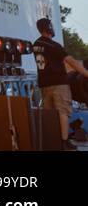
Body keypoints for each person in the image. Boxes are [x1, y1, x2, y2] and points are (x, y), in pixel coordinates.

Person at [32, 16, 88, 148]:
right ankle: (64, 141)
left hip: (44, 84)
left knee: (50, 114)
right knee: (63, 112)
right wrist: (86, 73)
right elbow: (71, 62)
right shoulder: (54, 46)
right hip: (59, 84)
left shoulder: (36, 45)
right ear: (49, 28)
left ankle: (52, 140)